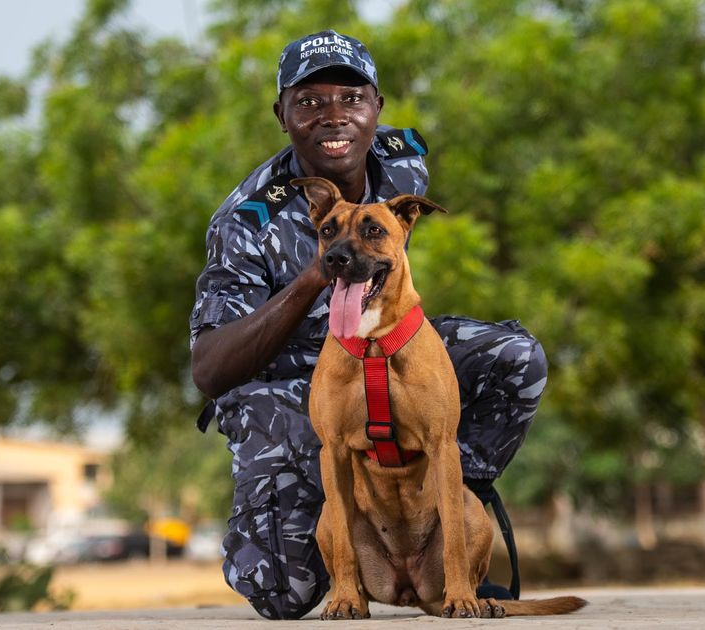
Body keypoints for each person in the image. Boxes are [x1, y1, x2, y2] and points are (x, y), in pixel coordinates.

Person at [189, 29, 547, 620]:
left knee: (515, 357)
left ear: (376, 107)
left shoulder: (403, 162)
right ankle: (344, 531)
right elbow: (208, 369)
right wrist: (317, 275)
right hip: (292, 382)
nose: (334, 116)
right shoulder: (246, 222)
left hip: (386, 341)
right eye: (309, 101)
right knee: (282, 593)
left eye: (351, 98)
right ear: (282, 115)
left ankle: (442, 513)